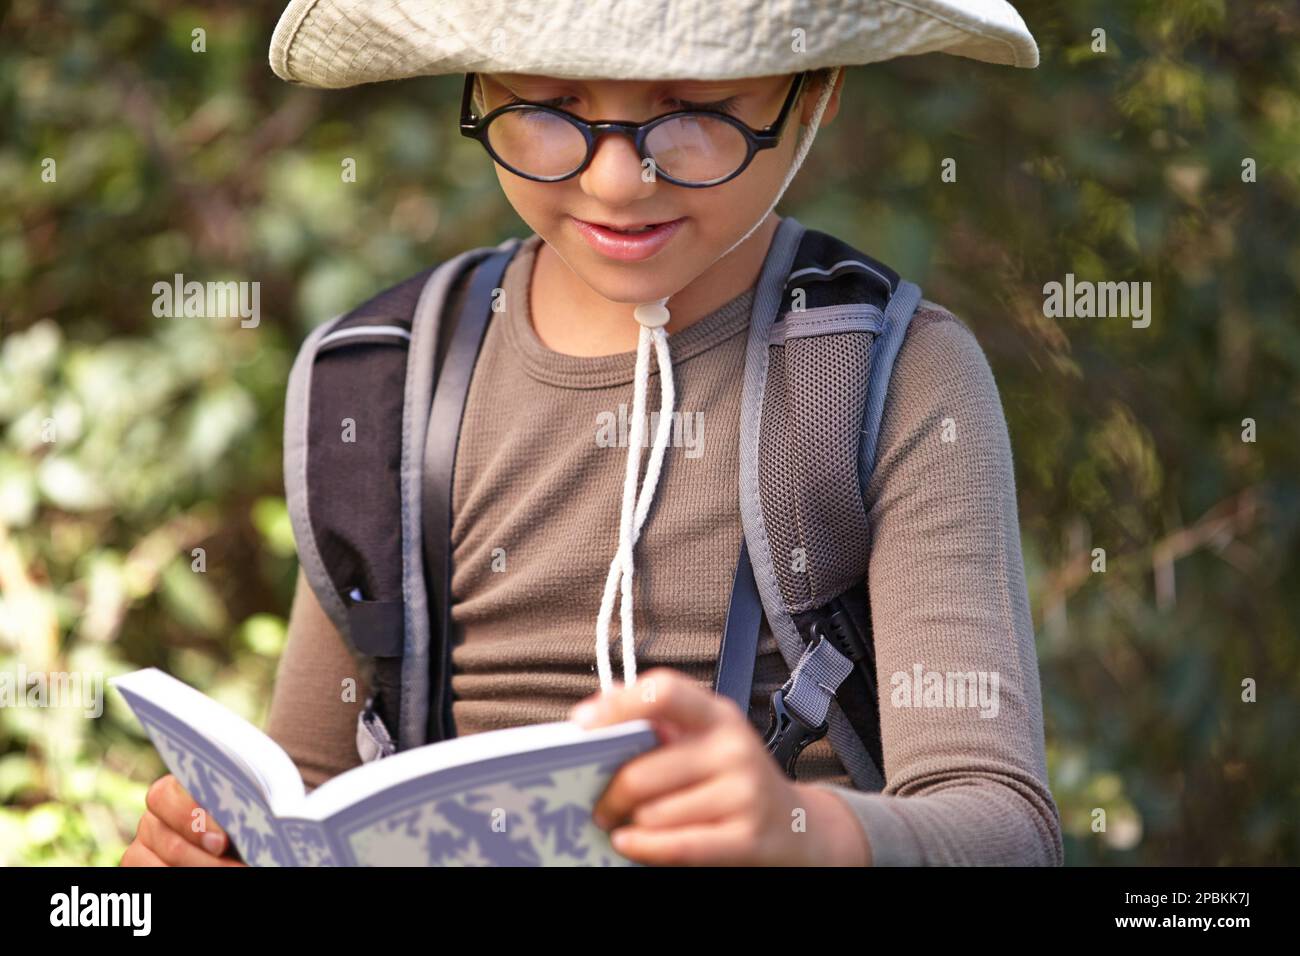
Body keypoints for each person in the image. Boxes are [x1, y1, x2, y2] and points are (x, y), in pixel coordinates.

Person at [123, 0, 1062, 867]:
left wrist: (799, 830)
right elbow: (312, 792)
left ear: (815, 90)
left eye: (694, 106)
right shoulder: (381, 383)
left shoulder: (886, 379)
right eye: (549, 103)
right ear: (480, 87)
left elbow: (1001, 825)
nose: (617, 178)